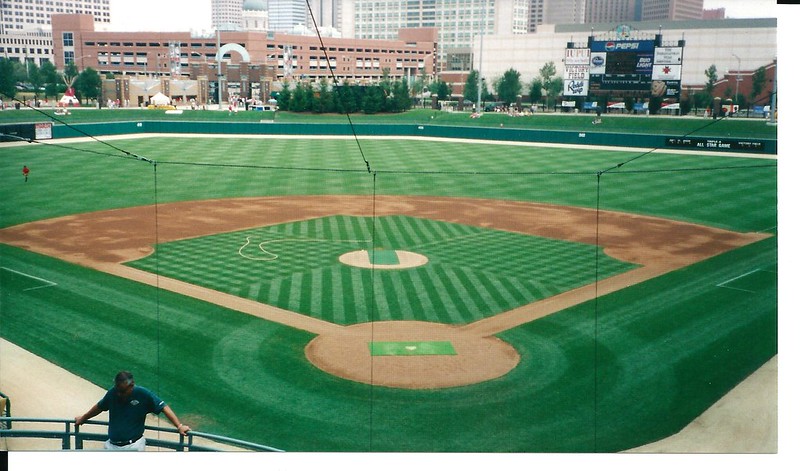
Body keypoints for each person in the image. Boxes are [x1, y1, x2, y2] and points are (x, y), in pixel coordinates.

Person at [75, 371, 191, 451]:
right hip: (112, 445)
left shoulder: (142, 394)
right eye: (118, 390)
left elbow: (163, 407)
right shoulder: (113, 393)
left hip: (133, 446)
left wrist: (179, 426)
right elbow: (99, 407)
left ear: (132, 385)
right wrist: (83, 418)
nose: (119, 394)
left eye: (123, 391)